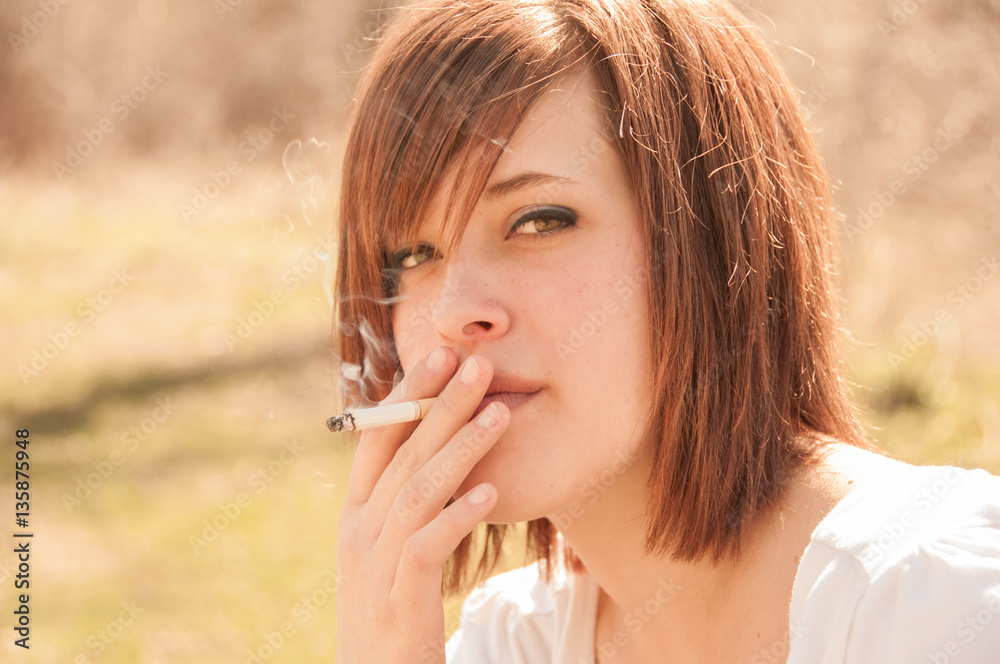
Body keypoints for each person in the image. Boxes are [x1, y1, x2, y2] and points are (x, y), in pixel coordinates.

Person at [331, 0, 1000, 662]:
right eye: (411, 255)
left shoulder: (933, 604)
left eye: (539, 220)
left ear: (712, 237)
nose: (454, 310)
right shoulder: (510, 643)